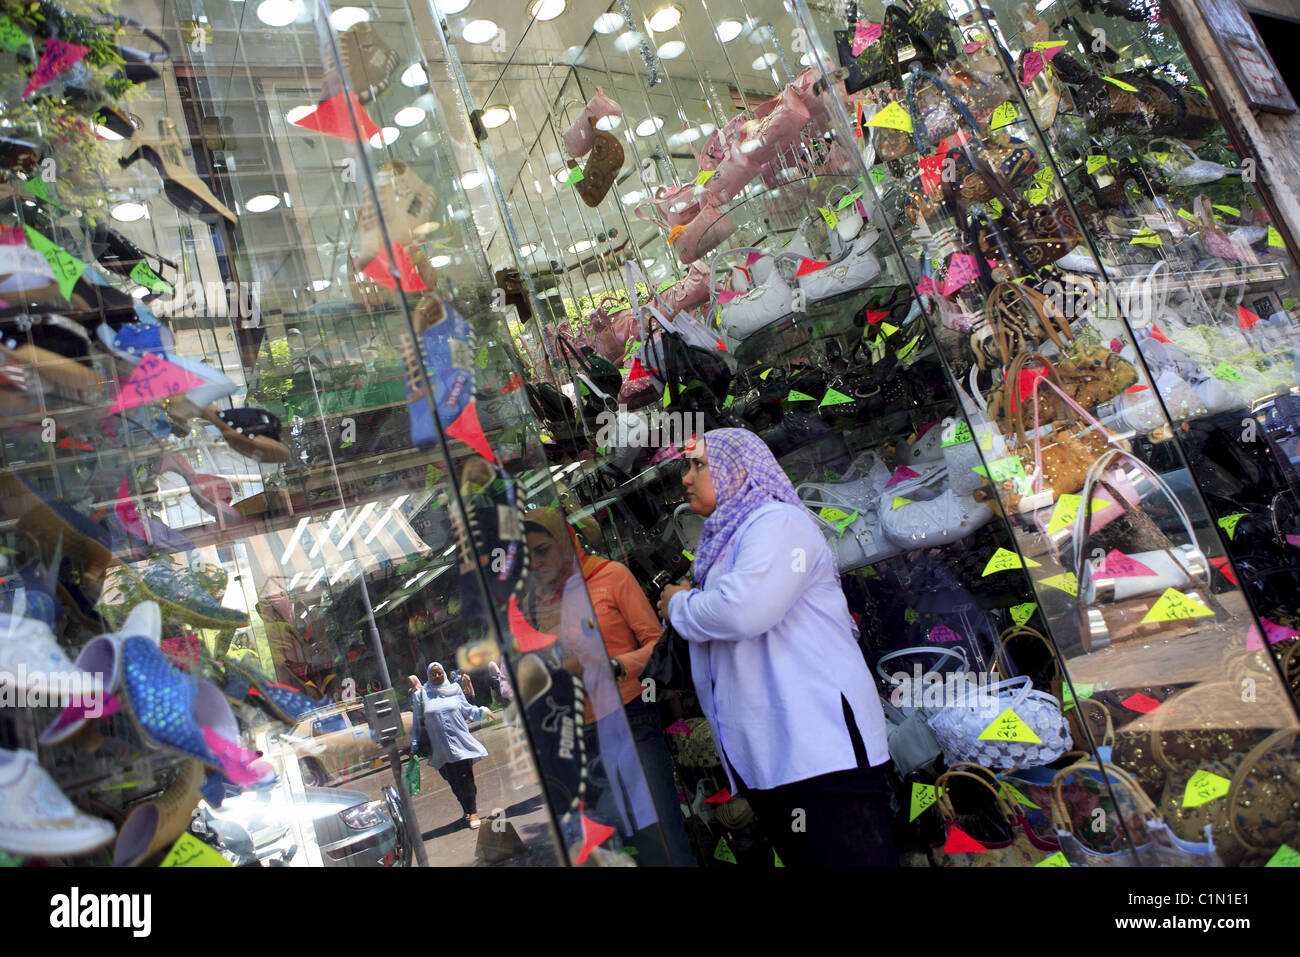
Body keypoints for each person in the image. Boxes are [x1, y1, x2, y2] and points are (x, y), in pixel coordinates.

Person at [656, 429, 898, 867]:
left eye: (699, 465)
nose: (686, 479)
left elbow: (744, 610)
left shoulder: (776, 523)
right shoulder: (728, 537)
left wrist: (679, 605)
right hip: (778, 757)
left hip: (821, 752)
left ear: (738, 469)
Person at [521, 507, 696, 865]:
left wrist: (615, 665)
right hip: (576, 740)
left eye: (543, 550)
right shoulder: (536, 604)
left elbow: (657, 644)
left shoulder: (611, 576)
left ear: (567, 543)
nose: (536, 563)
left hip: (630, 722)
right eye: (528, 555)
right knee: (617, 850)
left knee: (662, 840)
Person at [409, 662, 494, 829]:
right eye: (433, 674)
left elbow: (468, 710)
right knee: (454, 782)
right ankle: (467, 811)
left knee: (466, 778)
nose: (437, 676)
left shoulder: (454, 690)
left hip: (461, 743)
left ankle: (473, 811)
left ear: (444, 673)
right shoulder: (422, 696)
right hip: (440, 750)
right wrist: (414, 745)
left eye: (439, 672)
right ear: (428, 676)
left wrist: (483, 711)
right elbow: (417, 723)